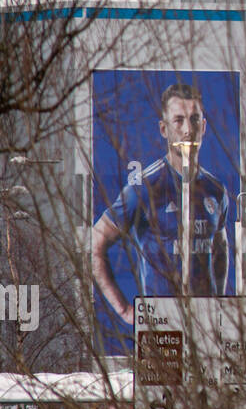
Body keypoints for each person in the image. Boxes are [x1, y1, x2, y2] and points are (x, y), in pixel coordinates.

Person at [92, 83, 231, 327]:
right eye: (179, 121)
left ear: (204, 126)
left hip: (206, 328)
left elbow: (219, 249)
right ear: (164, 129)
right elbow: (95, 244)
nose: (188, 130)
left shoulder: (215, 190)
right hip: (162, 327)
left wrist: (217, 302)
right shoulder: (145, 188)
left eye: (195, 119)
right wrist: (125, 310)